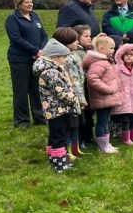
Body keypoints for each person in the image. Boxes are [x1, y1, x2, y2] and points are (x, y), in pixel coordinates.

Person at [32, 38, 81, 172]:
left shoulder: (52, 70)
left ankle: (55, 158)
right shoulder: (51, 72)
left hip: (56, 109)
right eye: (64, 57)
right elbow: (61, 92)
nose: (65, 60)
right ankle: (59, 164)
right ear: (54, 57)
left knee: (55, 135)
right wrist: (73, 99)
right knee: (58, 136)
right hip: (57, 110)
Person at [5, 0, 48, 128]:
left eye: (31, 2)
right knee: (21, 90)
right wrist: (35, 51)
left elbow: (44, 35)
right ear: (18, 5)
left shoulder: (35, 16)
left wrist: (41, 50)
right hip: (19, 59)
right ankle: (22, 121)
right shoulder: (12, 19)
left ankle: (39, 117)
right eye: (26, 2)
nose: (30, 4)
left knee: (36, 89)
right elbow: (16, 39)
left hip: (37, 59)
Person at [82, 35, 122, 154]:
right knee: (102, 121)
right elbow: (92, 78)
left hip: (107, 98)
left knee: (105, 120)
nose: (113, 50)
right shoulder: (98, 63)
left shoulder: (105, 61)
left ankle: (106, 143)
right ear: (100, 48)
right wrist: (108, 89)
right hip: (103, 98)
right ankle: (102, 146)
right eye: (111, 48)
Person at [51, 27, 88, 159]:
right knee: (69, 124)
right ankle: (68, 151)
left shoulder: (74, 54)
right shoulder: (66, 58)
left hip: (77, 93)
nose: (77, 42)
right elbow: (73, 80)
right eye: (74, 40)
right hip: (71, 96)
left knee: (75, 124)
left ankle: (75, 149)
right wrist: (80, 99)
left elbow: (79, 76)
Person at [111, 43, 133, 145]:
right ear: (122, 56)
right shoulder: (117, 68)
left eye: (132, 55)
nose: (129, 56)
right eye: (126, 54)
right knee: (125, 119)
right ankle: (126, 139)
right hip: (123, 97)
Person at [72, 24, 95, 150]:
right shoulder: (78, 53)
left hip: (88, 88)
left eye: (90, 36)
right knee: (83, 115)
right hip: (82, 89)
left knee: (89, 114)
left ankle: (89, 136)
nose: (89, 38)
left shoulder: (87, 51)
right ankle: (82, 138)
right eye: (86, 36)